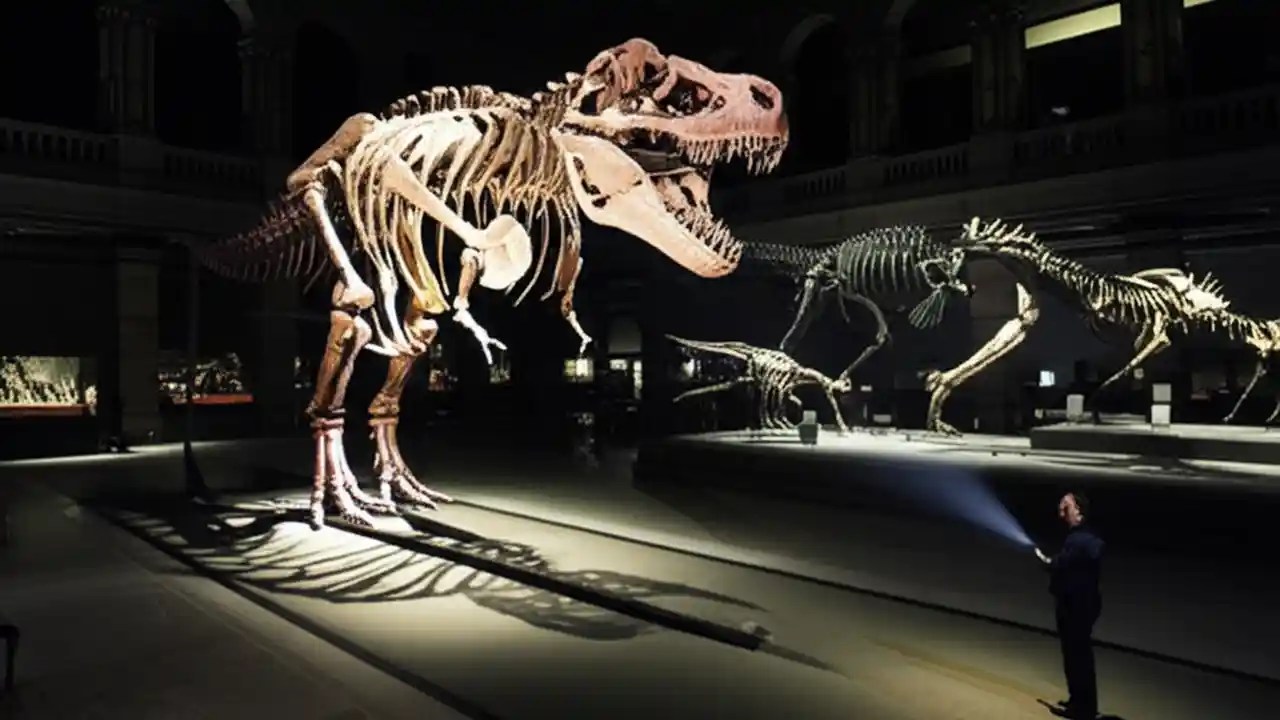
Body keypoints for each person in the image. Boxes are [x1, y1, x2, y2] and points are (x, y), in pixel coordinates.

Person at [1034, 492, 1104, 719]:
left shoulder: (1081, 539)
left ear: (1080, 512)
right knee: (1074, 657)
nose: (1062, 509)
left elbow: (1066, 563)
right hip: (1076, 604)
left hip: (1077, 607)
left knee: (1077, 658)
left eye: (1067, 506)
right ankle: (1079, 701)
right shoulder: (1080, 537)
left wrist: (1048, 562)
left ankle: (1083, 708)